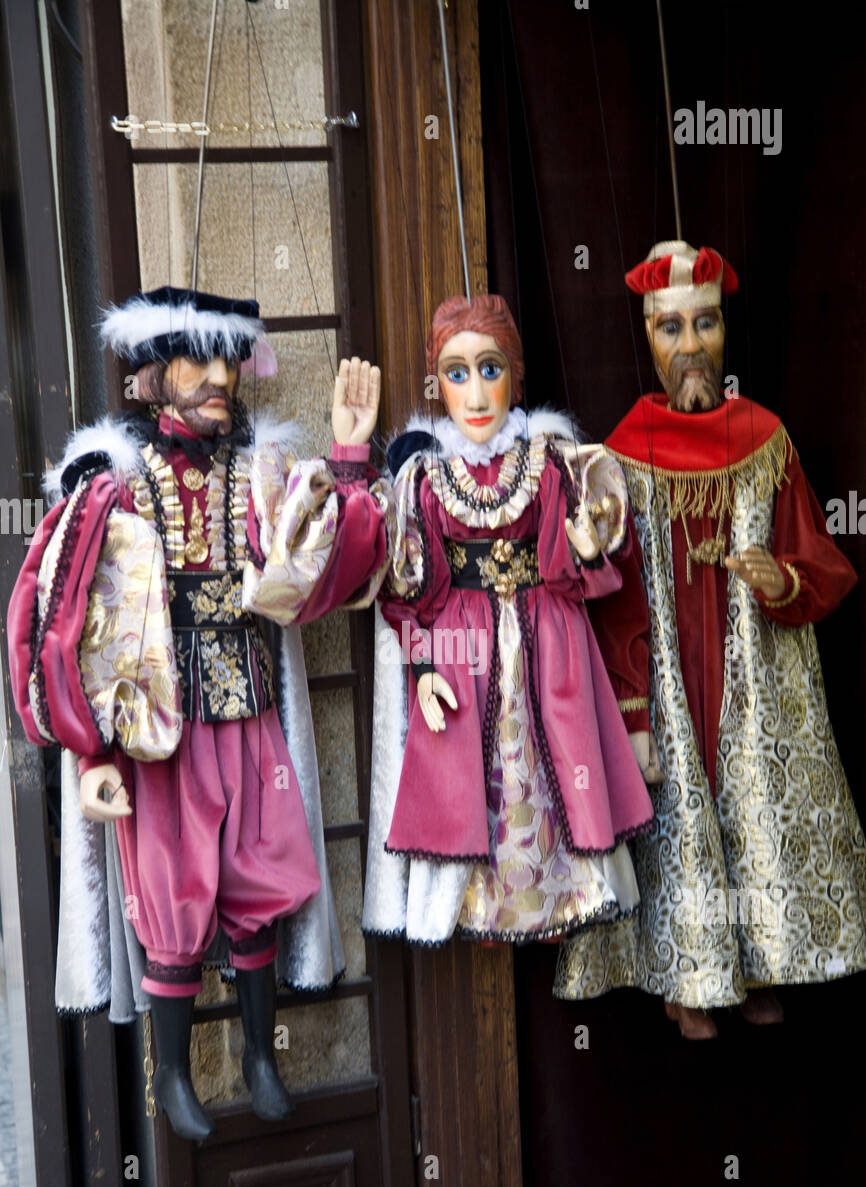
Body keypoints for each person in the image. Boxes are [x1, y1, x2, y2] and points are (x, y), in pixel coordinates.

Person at [8, 285, 391, 1134]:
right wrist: (92, 753)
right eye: (197, 359)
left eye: (228, 358)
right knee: (174, 892)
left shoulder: (260, 470)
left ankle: (261, 1053)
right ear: (153, 372)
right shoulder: (106, 485)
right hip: (158, 726)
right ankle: (174, 1073)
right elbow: (62, 621)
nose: (219, 376)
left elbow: (320, 573)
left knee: (256, 871)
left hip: (247, 701)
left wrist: (349, 457)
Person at [555, 241, 866, 1038]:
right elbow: (609, 596)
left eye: (704, 325)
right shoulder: (620, 453)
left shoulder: (766, 440)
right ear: (648, 339)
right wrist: (630, 708)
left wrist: (781, 579)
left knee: (757, 809)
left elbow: (823, 564)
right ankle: (689, 979)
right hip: (666, 677)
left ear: (724, 331)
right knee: (677, 820)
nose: (690, 347)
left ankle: (757, 961)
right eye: (670, 330)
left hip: (757, 674)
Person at [362, 294, 653, 947]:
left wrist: (587, 548)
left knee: (552, 765)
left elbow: (579, 569)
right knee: (475, 777)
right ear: (436, 386)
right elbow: (410, 589)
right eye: (457, 373)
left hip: (546, 641)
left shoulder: (549, 463)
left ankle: (566, 891)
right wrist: (424, 664)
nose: (475, 391)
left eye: (489, 368)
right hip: (463, 647)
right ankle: (474, 907)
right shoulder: (425, 480)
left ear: (516, 377)